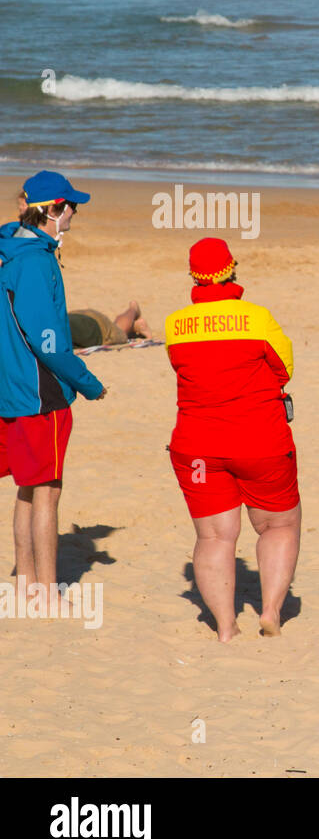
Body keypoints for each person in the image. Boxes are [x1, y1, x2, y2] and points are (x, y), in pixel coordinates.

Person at [164, 238, 300, 642]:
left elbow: (184, 367)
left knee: (214, 536)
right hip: (260, 439)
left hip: (197, 446)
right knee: (278, 526)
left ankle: (225, 627)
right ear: (232, 270)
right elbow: (284, 368)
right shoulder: (257, 318)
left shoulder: (176, 324)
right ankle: (271, 610)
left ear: (193, 276)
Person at [0, 172, 107, 602]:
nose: (74, 217)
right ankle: (47, 590)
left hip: (10, 387)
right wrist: (88, 383)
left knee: (28, 486)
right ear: (53, 210)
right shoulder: (35, 260)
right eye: (71, 209)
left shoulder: (10, 248)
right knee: (47, 490)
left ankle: (26, 582)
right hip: (39, 390)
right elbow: (48, 342)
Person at [69, 302, 153, 349]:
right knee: (116, 329)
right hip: (76, 317)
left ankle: (133, 309)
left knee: (120, 331)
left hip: (97, 327)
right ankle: (135, 326)